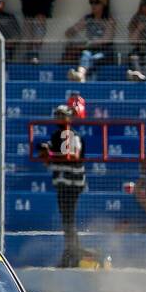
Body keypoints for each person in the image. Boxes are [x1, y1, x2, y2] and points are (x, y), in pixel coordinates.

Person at [38, 96, 88, 267]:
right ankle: (72, 252)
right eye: (57, 115)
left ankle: (72, 254)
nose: (59, 119)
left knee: (69, 219)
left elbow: (73, 155)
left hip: (72, 183)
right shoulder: (55, 136)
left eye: (62, 115)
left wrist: (51, 155)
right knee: (67, 219)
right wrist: (45, 152)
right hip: (62, 183)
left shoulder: (72, 135)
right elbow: (48, 158)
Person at [66, 0, 116, 82]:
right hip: (90, 49)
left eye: (97, 3)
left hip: (105, 51)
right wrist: (73, 31)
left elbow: (106, 40)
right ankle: (80, 75)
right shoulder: (88, 18)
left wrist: (88, 43)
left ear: (103, 5)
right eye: (92, 3)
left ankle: (81, 76)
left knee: (94, 58)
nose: (93, 6)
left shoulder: (109, 20)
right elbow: (69, 32)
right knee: (85, 54)